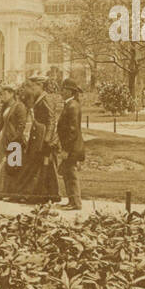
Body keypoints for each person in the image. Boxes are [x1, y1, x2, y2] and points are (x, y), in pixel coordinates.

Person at [19, 74, 62, 204]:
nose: (31, 90)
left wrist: (47, 139)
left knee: (45, 166)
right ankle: (49, 194)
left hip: (44, 139)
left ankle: (46, 195)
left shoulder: (45, 99)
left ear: (40, 86)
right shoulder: (39, 98)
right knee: (45, 167)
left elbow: (51, 120)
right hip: (39, 138)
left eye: (33, 87)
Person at [0, 84, 30, 200]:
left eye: (4, 93)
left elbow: (21, 125)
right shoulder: (5, 107)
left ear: (12, 94)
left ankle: (10, 192)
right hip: (3, 138)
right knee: (0, 163)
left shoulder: (19, 106)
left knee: (11, 165)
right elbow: (0, 122)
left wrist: (15, 140)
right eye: (2, 93)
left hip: (13, 140)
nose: (2, 96)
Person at [57, 78, 86, 210]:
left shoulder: (72, 106)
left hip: (72, 148)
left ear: (70, 92)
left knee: (71, 174)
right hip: (70, 146)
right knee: (67, 173)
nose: (61, 91)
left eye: (63, 89)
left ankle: (75, 202)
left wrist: (66, 150)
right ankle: (71, 201)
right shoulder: (70, 105)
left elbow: (72, 131)